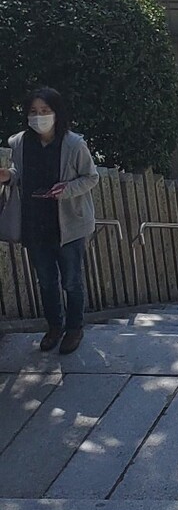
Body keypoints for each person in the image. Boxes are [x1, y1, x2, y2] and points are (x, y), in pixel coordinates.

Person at [0, 88, 99, 354]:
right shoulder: (20, 143)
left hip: (68, 225)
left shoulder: (74, 144)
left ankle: (75, 328)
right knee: (46, 281)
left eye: (45, 111)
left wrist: (66, 189)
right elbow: (19, 173)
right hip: (34, 223)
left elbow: (91, 177)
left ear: (57, 113)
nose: (38, 117)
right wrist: (8, 176)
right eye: (33, 112)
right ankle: (55, 326)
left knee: (72, 281)